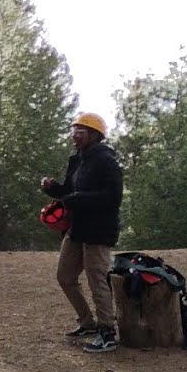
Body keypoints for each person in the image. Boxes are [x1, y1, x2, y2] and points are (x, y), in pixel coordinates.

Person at [40, 112, 123, 354]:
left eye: (80, 131)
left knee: (97, 280)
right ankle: (87, 323)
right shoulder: (78, 160)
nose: (74, 135)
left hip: (99, 230)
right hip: (76, 229)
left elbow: (113, 197)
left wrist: (78, 199)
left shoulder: (106, 161)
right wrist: (53, 188)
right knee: (65, 277)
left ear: (94, 136)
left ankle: (107, 331)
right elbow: (67, 191)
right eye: (73, 130)